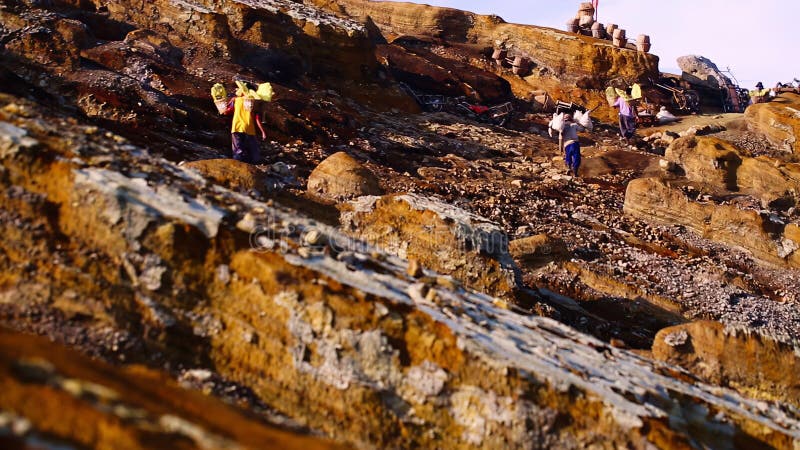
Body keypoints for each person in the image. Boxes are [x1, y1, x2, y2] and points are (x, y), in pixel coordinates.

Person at [223, 80, 267, 164]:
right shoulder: (253, 102)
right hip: (249, 128)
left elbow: (225, 112)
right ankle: (255, 164)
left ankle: (238, 163)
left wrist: (227, 103)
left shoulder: (235, 100)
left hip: (237, 126)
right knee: (253, 149)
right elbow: (257, 118)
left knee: (238, 149)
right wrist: (262, 132)